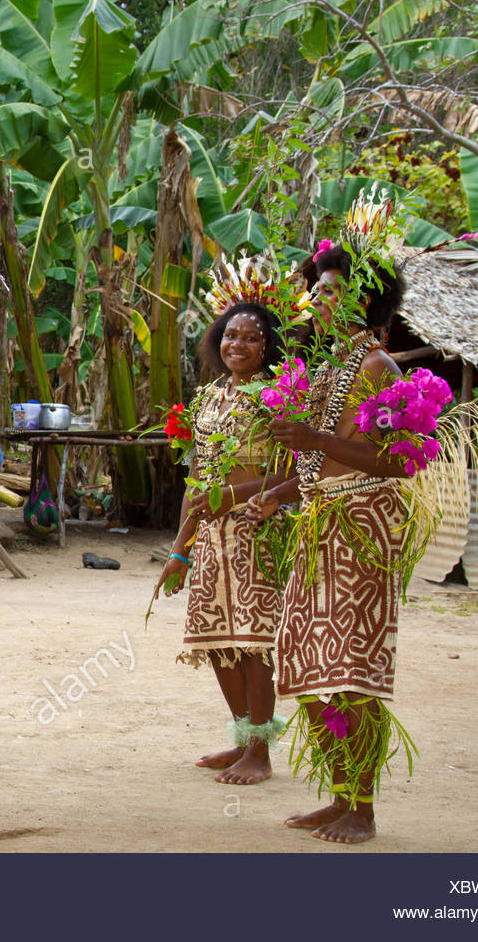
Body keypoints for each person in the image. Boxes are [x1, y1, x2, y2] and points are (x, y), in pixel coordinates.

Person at [246, 195, 418, 843]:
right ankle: (342, 792)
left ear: (364, 302)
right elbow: (324, 462)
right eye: (315, 289)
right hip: (320, 524)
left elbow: (396, 465)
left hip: (364, 530)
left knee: (353, 670)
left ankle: (364, 809)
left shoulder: (380, 367)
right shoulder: (328, 370)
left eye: (330, 289)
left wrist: (314, 446)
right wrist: (284, 489)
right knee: (305, 662)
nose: (315, 299)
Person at [153, 258, 295, 786]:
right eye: (230, 335)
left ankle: (260, 752)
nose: (238, 345)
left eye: (251, 338)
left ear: (268, 346)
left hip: (256, 529)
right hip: (211, 535)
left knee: (252, 642)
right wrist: (179, 550)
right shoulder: (211, 396)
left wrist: (234, 494)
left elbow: (292, 471)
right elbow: (197, 479)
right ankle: (243, 741)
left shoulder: (280, 395)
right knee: (217, 641)